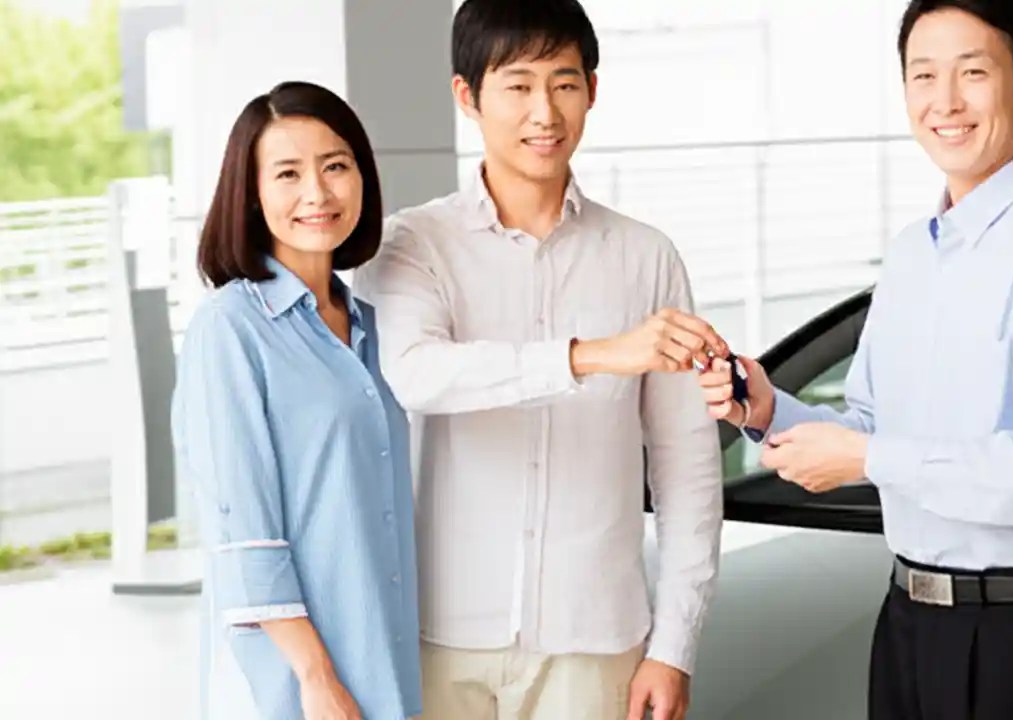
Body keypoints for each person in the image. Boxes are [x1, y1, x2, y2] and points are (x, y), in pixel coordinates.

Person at [698, 1, 1013, 717]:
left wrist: (871, 458)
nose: (945, 102)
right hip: (909, 622)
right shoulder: (915, 252)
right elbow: (873, 424)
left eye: (972, 73)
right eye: (923, 75)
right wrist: (769, 407)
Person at [352, 1, 726, 719]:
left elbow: (688, 470)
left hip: (596, 639)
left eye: (563, 82)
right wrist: (590, 357)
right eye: (518, 86)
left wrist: (674, 646)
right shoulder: (413, 245)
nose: (544, 113)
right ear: (468, 96)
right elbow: (418, 375)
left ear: (592, 88)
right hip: (440, 634)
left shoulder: (645, 256)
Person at [172, 80, 421, 720]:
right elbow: (242, 527)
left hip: (381, 656)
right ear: (252, 196)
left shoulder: (366, 321)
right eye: (287, 173)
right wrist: (316, 677)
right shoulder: (230, 328)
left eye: (335, 166)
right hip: (292, 680)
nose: (317, 192)